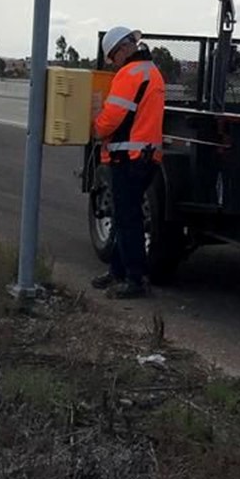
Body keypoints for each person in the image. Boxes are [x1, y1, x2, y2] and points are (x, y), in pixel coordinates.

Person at [91, 25, 166, 299]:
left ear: (122, 49)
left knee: (128, 218)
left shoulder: (129, 74)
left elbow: (112, 117)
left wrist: (95, 129)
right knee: (125, 216)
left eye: (113, 57)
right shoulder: (152, 71)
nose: (113, 63)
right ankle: (118, 270)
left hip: (130, 158)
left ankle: (135, 278)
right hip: (145, 157)